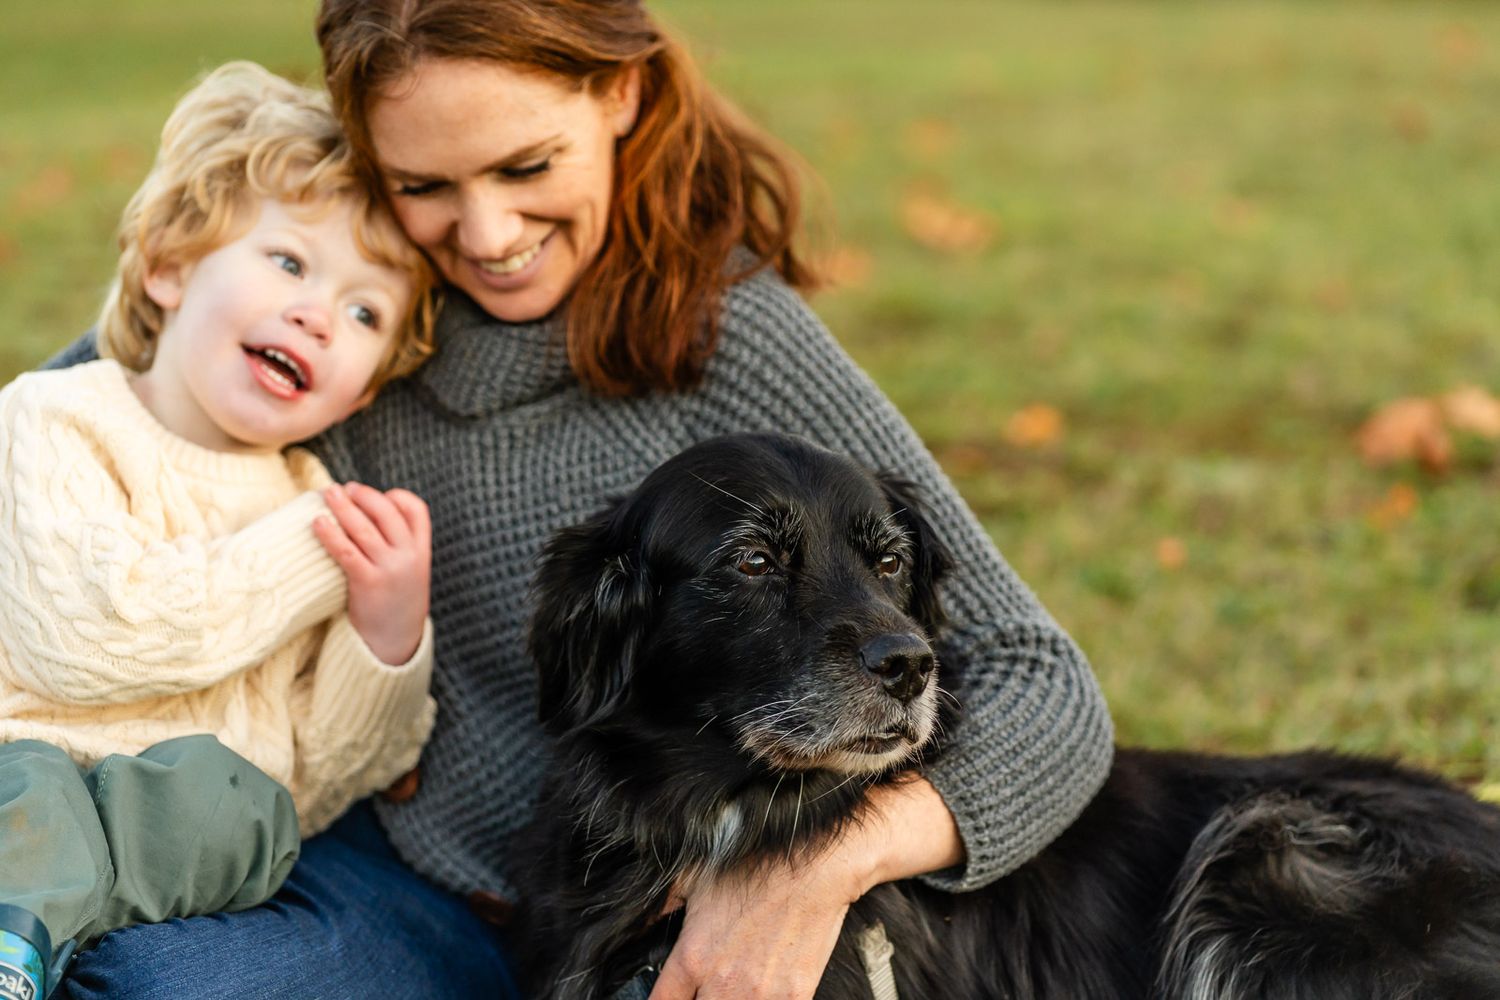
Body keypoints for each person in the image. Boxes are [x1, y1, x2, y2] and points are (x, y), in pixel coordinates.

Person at [44, 3, 1115, 997]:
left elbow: (1041, 680)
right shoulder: (333, 297)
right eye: (422, 185)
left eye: (526, 166)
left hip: (615, 900)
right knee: (135, 973)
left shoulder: (731, 334)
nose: (486, 231)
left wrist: (805, 876)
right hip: (355, 855)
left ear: (621, 94)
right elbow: (66, 413)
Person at [4, 59, 439, 985]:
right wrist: (308, 555)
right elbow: (91, 638)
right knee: (34, 797)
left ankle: (31, 928)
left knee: (249, 813)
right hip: (23, 765)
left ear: (365, 390)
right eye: (289, 262)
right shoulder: (57, 419)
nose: (318, 316)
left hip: (173, 840)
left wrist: (386, 635)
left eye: (365, 311)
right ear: (169, 266)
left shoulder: (311, 501)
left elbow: (323, 771)